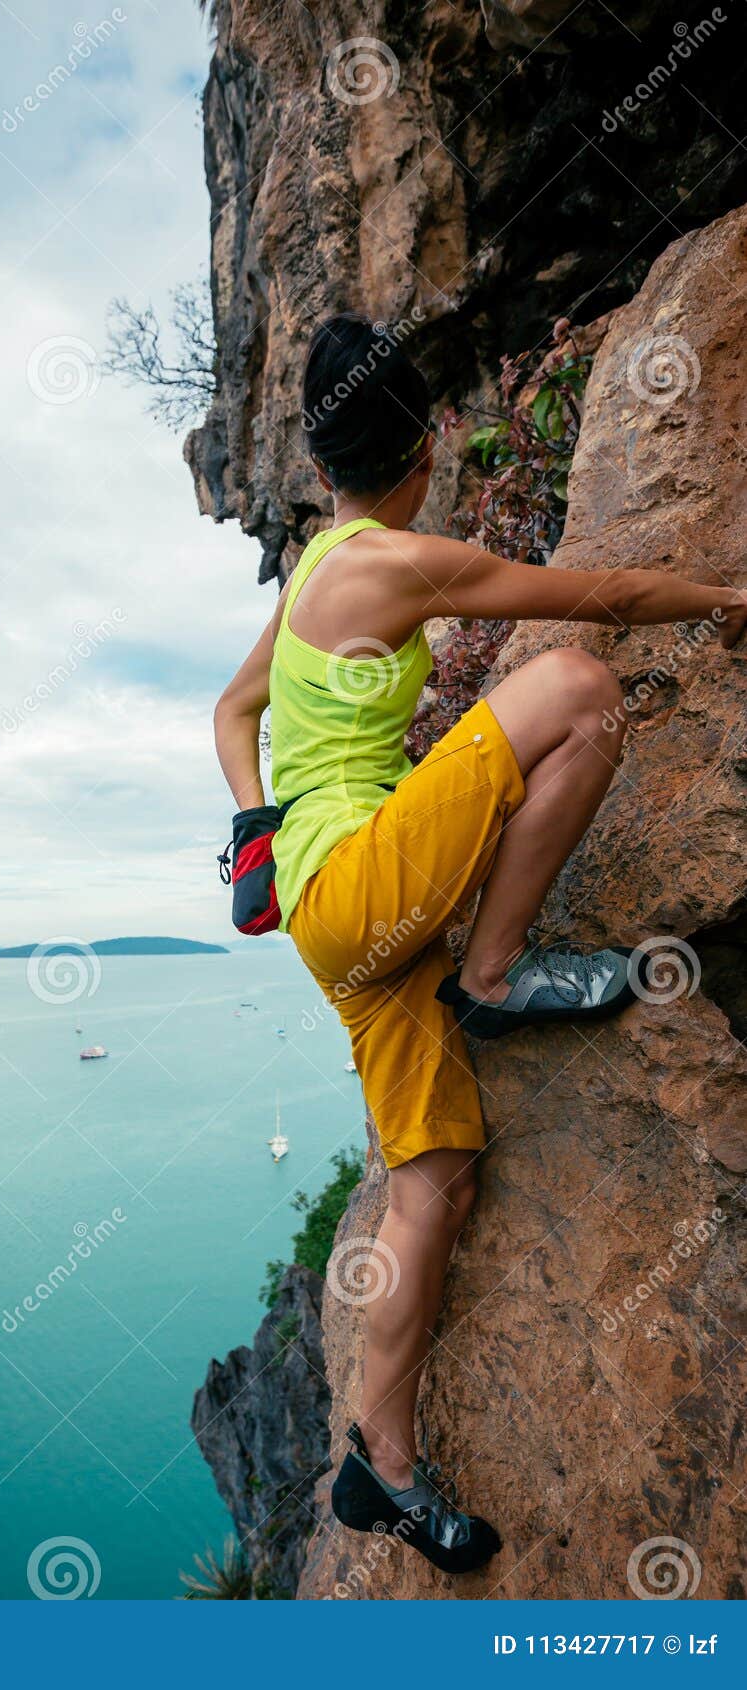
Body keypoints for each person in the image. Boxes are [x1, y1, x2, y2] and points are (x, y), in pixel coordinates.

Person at [213, 312, 746, 1576]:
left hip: (341, 932)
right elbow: (600, 600)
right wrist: (726, 595)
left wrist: (251, 826)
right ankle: (494, 971)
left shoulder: (314, 577)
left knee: (435, 1181)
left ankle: (376, 1470)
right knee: (572, 686)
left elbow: (231, 710)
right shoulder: (390, 563)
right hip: (354, 888)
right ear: (423, 446)